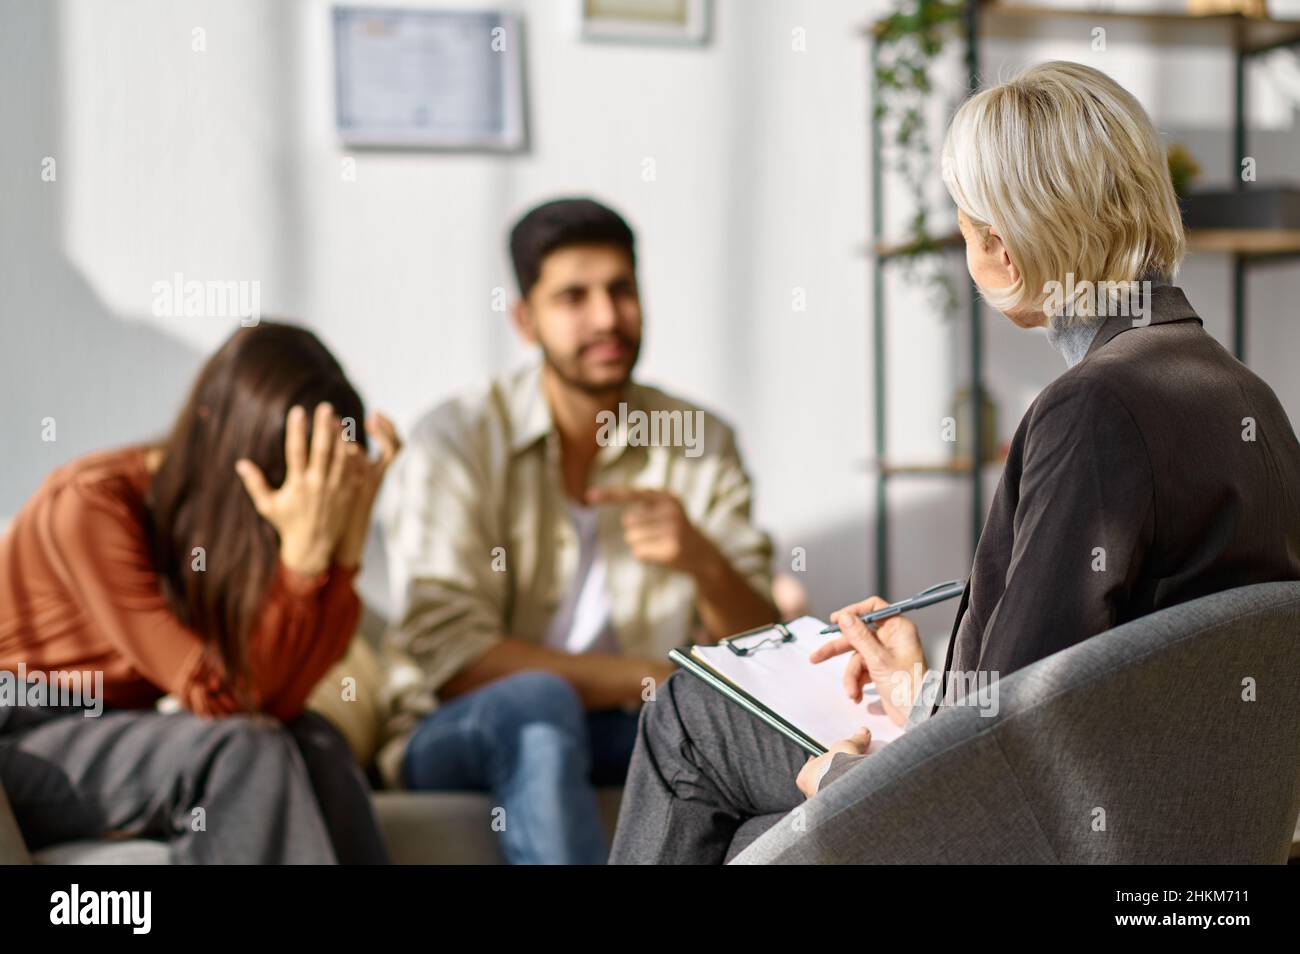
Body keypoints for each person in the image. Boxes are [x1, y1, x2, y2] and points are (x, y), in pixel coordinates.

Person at [608, 60, 1300, 864]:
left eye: (969, 227)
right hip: (1179, 829)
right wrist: (922, 692)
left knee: (691, 715)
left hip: (1051, 831)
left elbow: (1012, 738)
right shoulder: (1246, 396)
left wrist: (844, 779)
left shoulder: (1096, 410)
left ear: (1001, 248)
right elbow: (1093, 672)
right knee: (758, 842)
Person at [380, 197, 777, 864]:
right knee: (539, 705)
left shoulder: (700, 441)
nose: (606, 318)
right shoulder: (456, 442)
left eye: (621, 290)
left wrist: (706, 565)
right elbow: (454, 660)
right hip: (457, 730)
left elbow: (764, 653)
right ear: (525, 320)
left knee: (752, 736)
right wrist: (651, 676)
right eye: (574, 297)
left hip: (633, 726)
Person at [0, 322, 400, 864]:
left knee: (317, 741)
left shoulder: (211, 533)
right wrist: (302, 566)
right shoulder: (88, 506)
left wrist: (345, 553)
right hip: (23, 735)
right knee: (242, 755)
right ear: (218, 429)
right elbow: (220, 698)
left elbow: (273, 700)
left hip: (112, 726)